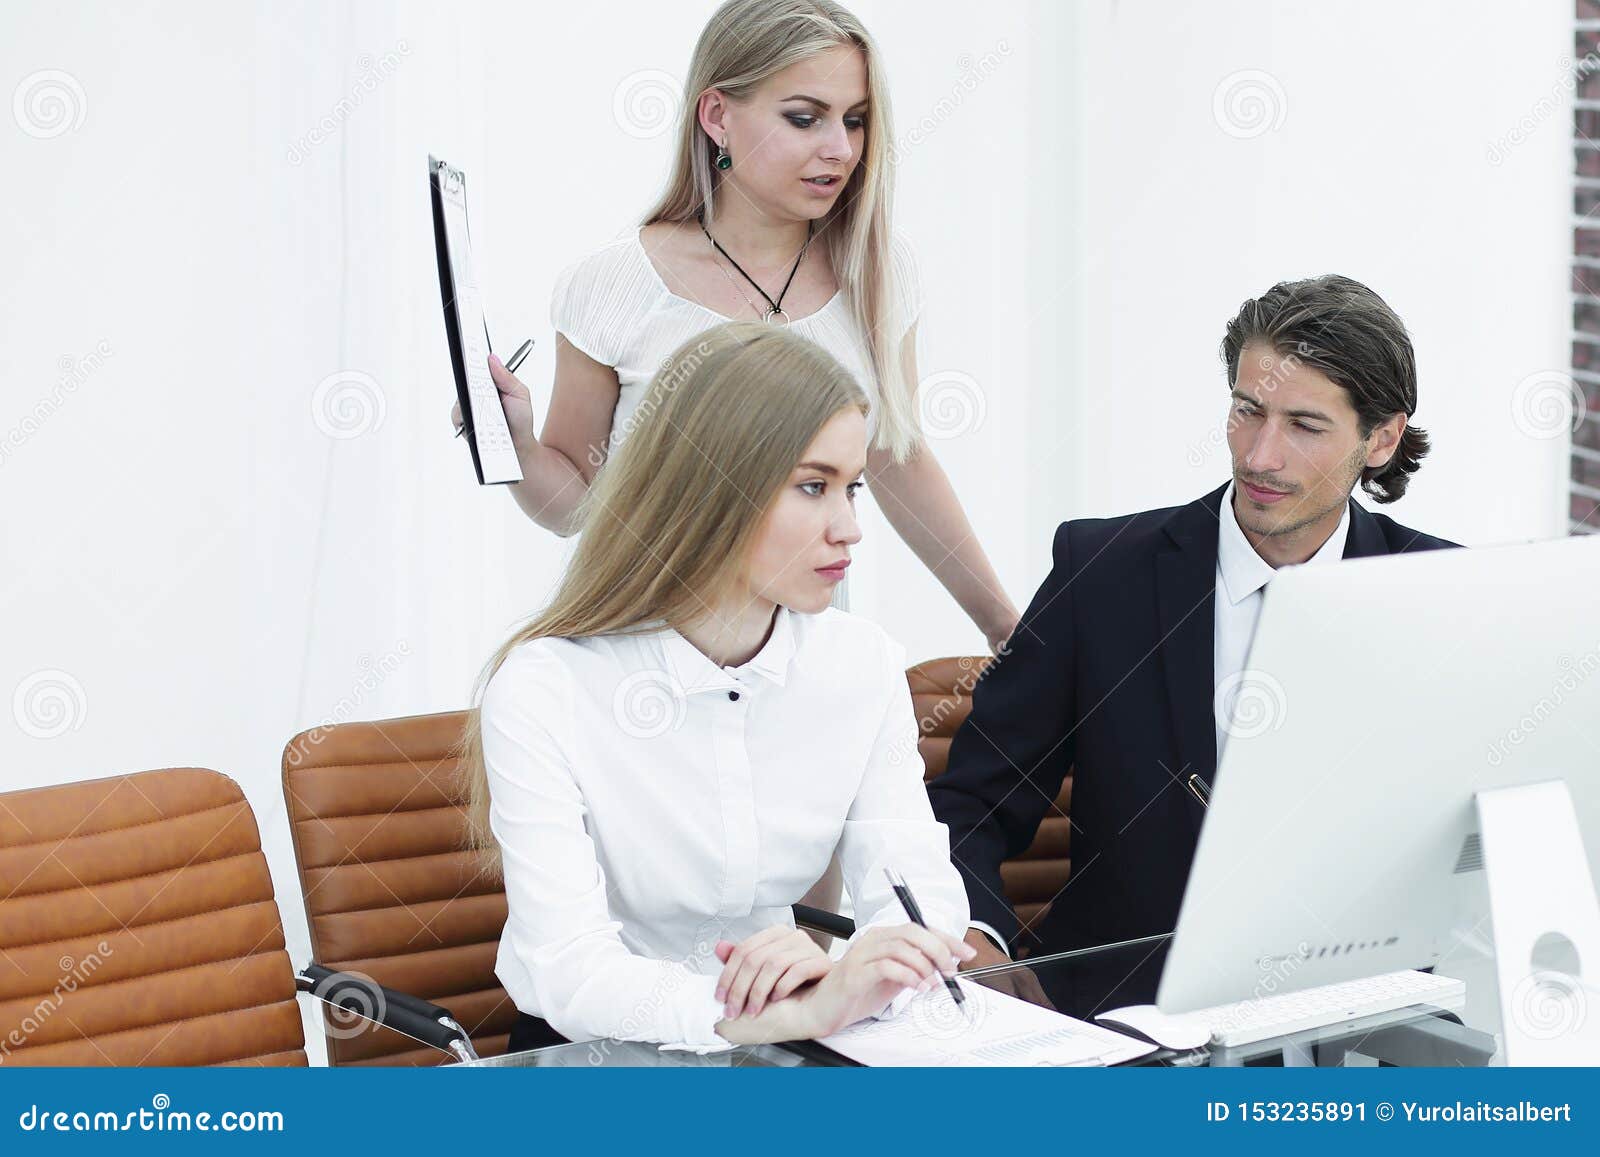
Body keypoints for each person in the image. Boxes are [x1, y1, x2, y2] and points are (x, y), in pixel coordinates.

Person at [929, 274, 1460, 1014]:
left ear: (1382, 437)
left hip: (1368, 1032)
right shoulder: (1101, 571)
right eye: (1248, 411)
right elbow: (970, 804)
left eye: (1304, 426)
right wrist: (976, 934)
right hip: (1126, 1036)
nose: (1260, 455)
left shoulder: (1443, 591)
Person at [457, 323, 974, 1051]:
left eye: (852, 487)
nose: (851, 527)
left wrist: (864, 968)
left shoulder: (862, 664)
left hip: (788, 1037)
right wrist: (774, 1011)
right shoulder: (547, 688)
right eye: (813, 486)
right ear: (711, 489)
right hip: (603, 1058)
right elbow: (568, 969)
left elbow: (919, 897)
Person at [447, 0, 1018, 653]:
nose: (840, 149)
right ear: (717, 116)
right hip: (639, 667)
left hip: (806, 673)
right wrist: (516, 446)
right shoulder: (613, 286)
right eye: (804, 118)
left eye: (855, 121)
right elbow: (574, 508)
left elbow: (896, 460)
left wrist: (1008, 627)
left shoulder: (878, 275)